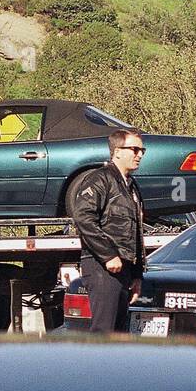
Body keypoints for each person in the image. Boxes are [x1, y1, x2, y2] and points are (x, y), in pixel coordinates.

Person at [72, 128, 147, 333]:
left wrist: (137, 274)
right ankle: (97, 367)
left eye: (142, 150)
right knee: (104, 332)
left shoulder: (131, 186)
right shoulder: (100, 179)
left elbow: (135, 232)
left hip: (123, 268)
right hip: (101, 266)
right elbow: (83, 218)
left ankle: (114, 366)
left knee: (118, 335)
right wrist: (108, 255)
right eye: (134, 149)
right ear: (117, 151)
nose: (139, 155)